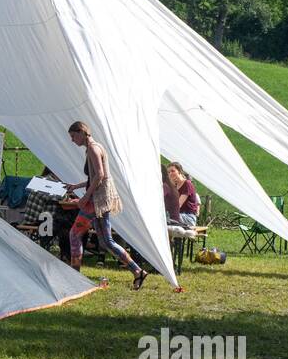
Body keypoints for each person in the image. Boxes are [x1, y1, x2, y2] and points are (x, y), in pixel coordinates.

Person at [63, 121, 149, 289]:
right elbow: (94, 177)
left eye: (73, 136)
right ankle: (138, 271)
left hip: (97, 202)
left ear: (82, 132)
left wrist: (84, 198)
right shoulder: (94, 147)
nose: (72, 140)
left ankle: (75, 276)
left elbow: (100, 175)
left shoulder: (93, 149)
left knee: (75, 234)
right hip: (98, 200)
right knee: (106, 242)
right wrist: (77, 187)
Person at [167, 161, 200, 228]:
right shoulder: (175, 186)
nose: (170, 173)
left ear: (179, 171)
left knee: (165, 216)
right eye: (169, 172)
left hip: (189, 217)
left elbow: (177, 205)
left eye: (173, 171)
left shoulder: (187, 184)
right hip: (178, 216)